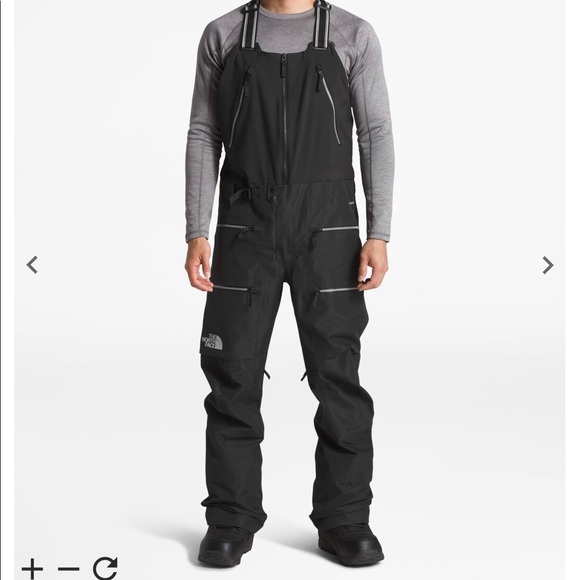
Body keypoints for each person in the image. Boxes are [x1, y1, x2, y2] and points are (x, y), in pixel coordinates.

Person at [184, 0, 395, 567]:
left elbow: (375, 133)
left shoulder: (352, 35)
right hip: (242, 227)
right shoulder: (223, 35)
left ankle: (345, 519)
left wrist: (379, 232)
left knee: (337, 377)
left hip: (329, 231)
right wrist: (196, 229)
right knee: (232, 375)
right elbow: (204, 132)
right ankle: (230, 518)